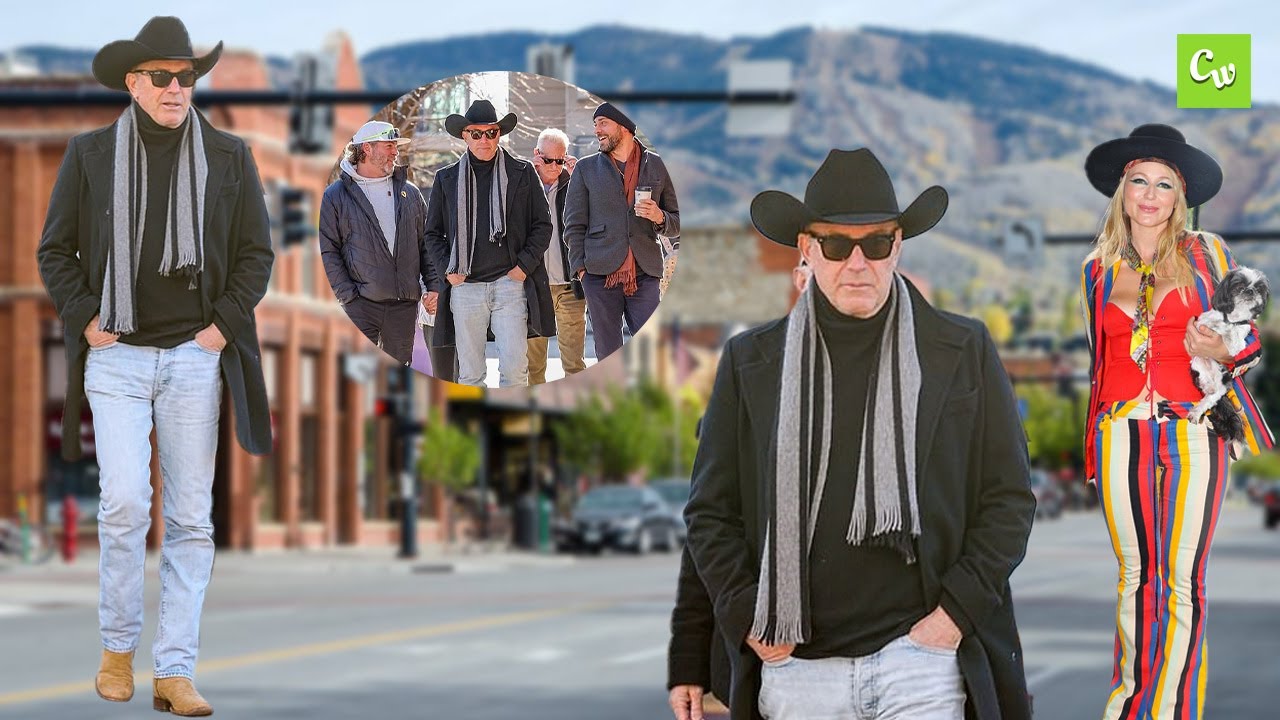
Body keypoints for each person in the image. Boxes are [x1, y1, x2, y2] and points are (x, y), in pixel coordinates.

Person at [684, 148, 1035, 720]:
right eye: (836, 244)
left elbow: (1008, 499)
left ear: (897, 246)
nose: (857, 262)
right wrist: (750, 618)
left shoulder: (962, 350)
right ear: (805, 248)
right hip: (796, 670)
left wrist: (952, 620)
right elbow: (710, 513)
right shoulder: (751, 362)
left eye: (875, 244)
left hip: (921, 663)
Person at [36, 16, 274, 716]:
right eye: (163, 77)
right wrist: (84, 316)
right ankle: (117, 649)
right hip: (116, 357)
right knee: (124, 506)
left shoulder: (230, 156)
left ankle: (174, 670)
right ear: (135, 83)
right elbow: (56, 251)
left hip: (194, 358)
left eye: (187, 76)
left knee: (192, 520)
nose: (177, 88)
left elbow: (256, 255)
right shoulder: (89, 154)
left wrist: (219, 330)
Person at [1080, 124, 1274, 720]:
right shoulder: (1096, 269)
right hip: (1121, 433)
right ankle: (1128, 703)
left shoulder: (1207, 254)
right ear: (1123, 189)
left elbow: (1251, 340)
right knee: (1136, 579)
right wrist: (1093, 441)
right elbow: (1102, 363)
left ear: (1179, 197)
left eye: (1164, 184)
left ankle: (1162, 713)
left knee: (1182, 578)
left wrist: (1221, 353)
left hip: (1194, 428)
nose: (1150, 194)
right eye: (1139, 180)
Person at [668, 257, 811, 720]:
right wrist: (688, 661)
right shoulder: (749, 379)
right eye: (812, 273)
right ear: (799, 283)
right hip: (764, 657)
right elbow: (705, 536)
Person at [424, 100, 555, 387]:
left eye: (491, 132)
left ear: (499, 134)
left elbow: (543, 225)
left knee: (515, 373)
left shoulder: (522, 172)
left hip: (510, 285)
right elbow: (432, 233)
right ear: (465, 136)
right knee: (470, 376)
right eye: (476, 133)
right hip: (465, 287)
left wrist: (522, 267)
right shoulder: (445, 178)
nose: (484, 139)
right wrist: (448, 271)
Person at [563, 102, 680, 359]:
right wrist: (581, 271)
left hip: (645, 273)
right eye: (595, 125)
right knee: (608, 354)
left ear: (624, 126)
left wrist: (660, 216)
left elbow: (678, 220)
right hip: (598, 275)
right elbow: (573, 225)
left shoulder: (659, 166)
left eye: (603, 123)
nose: (597, 130)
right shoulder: (585, 168)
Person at [319, 120, 434, 366]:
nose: (395, 152)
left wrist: (432, 287)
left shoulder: (411, 194)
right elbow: (328, 250)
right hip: (359, 306)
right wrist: (347, 296)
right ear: (367, 149)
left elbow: (426, 245)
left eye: (396, 146)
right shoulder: (335, 196)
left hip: (403, 307)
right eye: (389, 145)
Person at [526, 127, 588, 384]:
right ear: (537, 155)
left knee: (574, 363)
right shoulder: (524, 184)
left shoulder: (575, 184)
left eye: (560, 160)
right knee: (533, 366)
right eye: (548, 160)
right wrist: (529, 176)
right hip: (534, 288)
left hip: (569, 286)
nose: (554, 166)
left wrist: (579, 180)